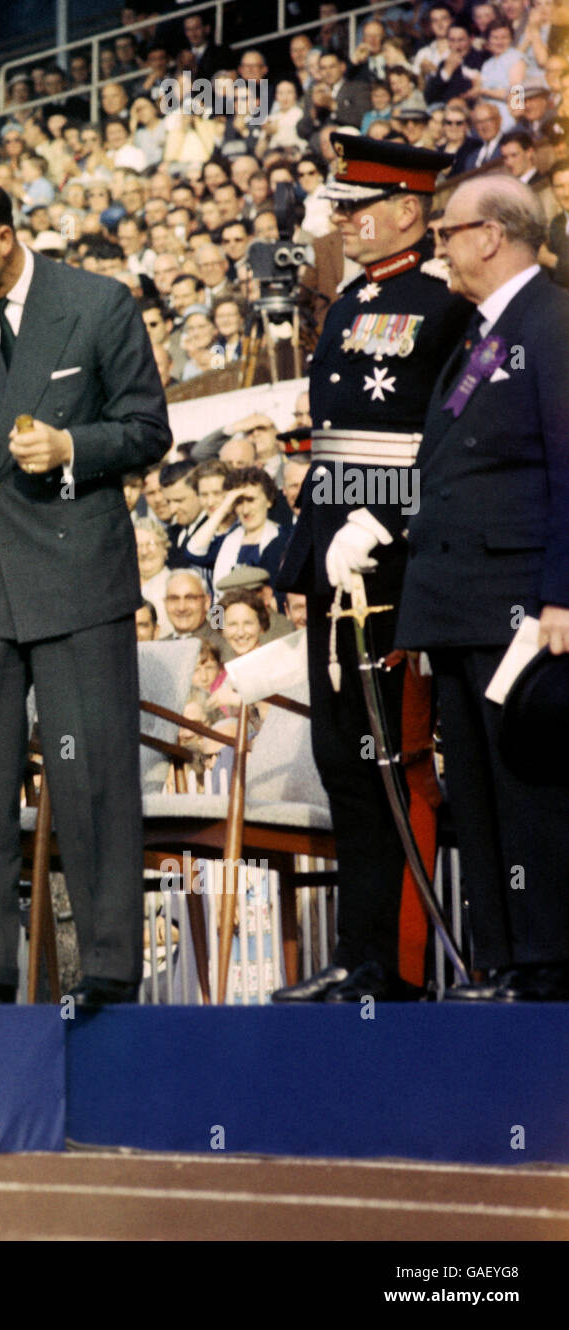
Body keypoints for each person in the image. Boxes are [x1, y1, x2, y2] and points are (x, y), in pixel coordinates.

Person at [0, 174, 172, 1008]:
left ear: (3, 237)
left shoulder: (98, 305)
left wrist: (71, 446)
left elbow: (148, 429)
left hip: (78, 575)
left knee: (91, 780)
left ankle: (107, 970)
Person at [272, 134, 472, 1004]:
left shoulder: (444, 306)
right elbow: (333, 448)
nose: (345, 220)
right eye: (341, 206)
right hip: (333, 565)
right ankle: (359, 951)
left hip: (394, 568)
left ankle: (394, 962)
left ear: (409, 211)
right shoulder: (349, 300)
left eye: (360, 206)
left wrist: (392, 533)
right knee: (343, 761)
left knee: (394, 760)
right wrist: (300, 552)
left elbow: (446, 449)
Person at [396, 174, 569, 1001]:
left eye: (448, 231)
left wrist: (562, 595)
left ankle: (544, 960)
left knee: (525, 788)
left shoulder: (556, 322)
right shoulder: (481, 332)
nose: (441, 247)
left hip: (522, 604)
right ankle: (501, 959)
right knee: (475, 787)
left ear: (492, 233)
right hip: (459, 601)